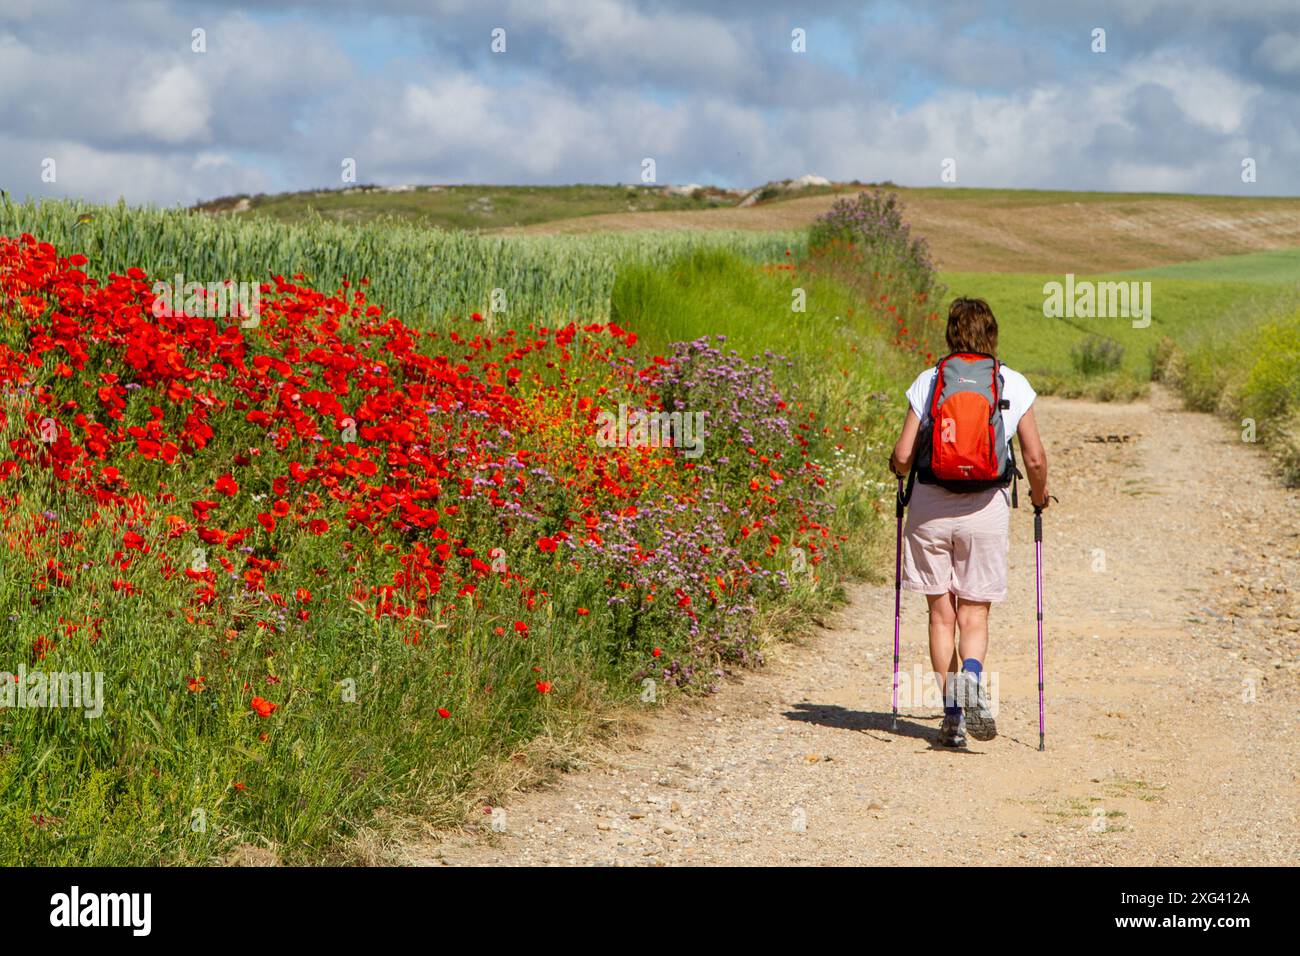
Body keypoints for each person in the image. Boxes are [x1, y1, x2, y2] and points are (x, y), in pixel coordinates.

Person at [889, 297, 1049, 747]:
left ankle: (953, 717)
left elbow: (903, 456)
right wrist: (1039, 500)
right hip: (986, 510)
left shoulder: (930, 379)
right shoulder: (1010, 382)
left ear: (950, 335)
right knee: (974, 613)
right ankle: (973, 679)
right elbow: (1034, 458)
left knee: (942, 615)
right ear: (993, 335)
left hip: (929, 508)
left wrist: (895, 470)